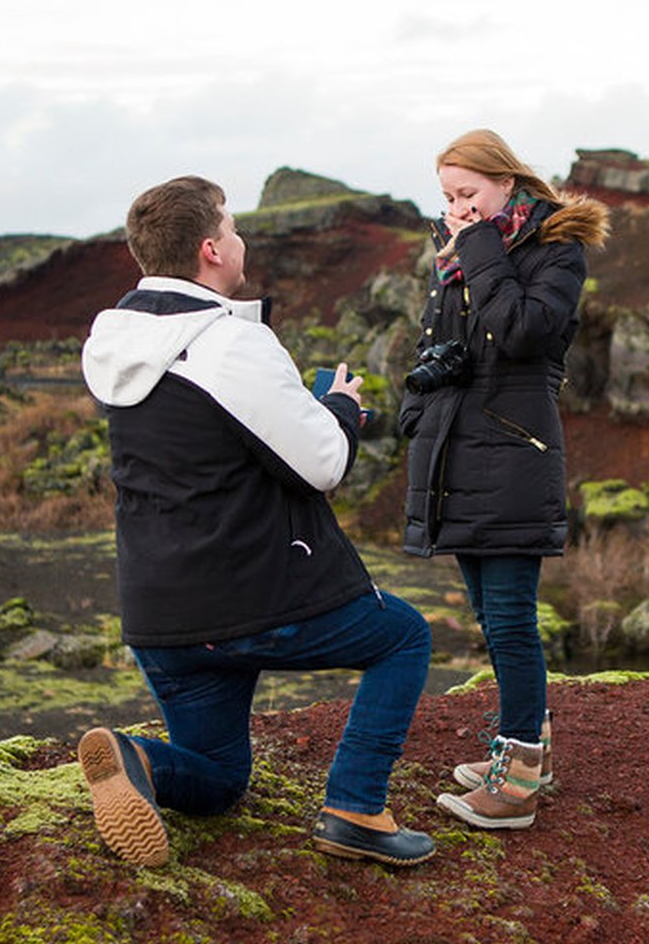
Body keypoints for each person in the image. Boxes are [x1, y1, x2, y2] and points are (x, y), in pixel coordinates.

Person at [77, 175, 436, 868]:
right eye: (234, 228)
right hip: (252, 597)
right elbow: (323, 464)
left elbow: (206, 442)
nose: (241, 239)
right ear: (211, 249)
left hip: (163, 619)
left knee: (217, 779)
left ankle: (135, 761)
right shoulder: (230, 342)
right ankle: (357, 807)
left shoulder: (117, 347)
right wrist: (337, 407)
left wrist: (295, 407)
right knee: (403, 639)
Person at [401, 128, 609, 830]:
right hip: (460, 454)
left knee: (513, 622)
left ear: (505, 183)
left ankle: (516, 783)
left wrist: (479, 246)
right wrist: (414, 416)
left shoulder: (555, 246)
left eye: (467, 193)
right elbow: (440, 343)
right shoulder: (466, 248)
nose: (456, 207)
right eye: (448, 196)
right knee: (492, 620)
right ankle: (529, 752)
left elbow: (522, 332)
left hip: (515, 455)